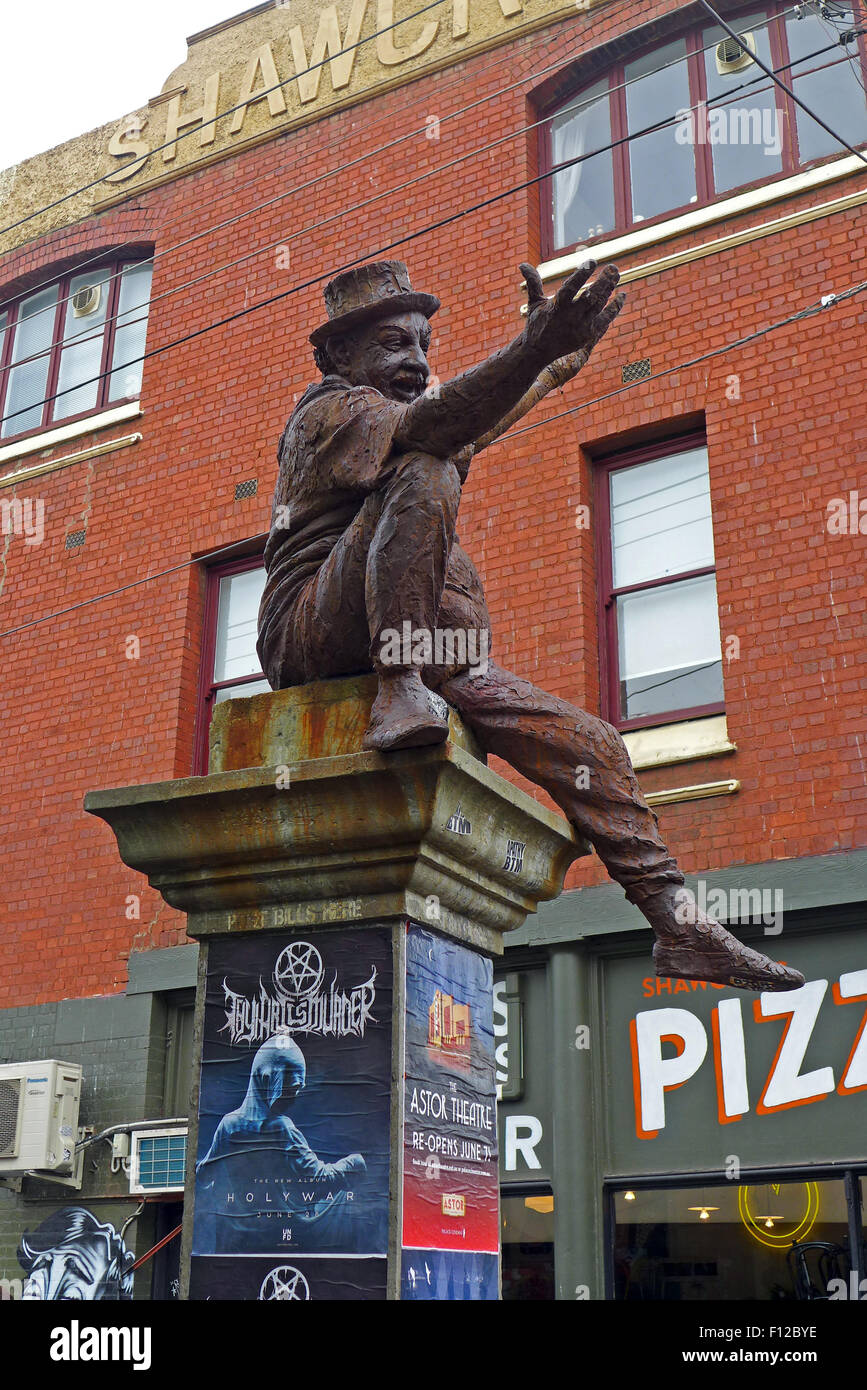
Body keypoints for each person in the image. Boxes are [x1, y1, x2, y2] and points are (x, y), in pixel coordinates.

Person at [256, 260, 803, 994]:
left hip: (440, 654)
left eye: (422, 342)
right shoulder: (328, 412)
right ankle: (398, 687)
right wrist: (531, 351)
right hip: (316, 638)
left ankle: (678, 925)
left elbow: (476, 419)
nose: (414, 360)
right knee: (428, 469)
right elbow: (436, 431)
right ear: (338, 358)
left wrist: (551, 365)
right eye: (392, 344)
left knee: (594, 745)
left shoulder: (400, 425)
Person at [195, 1034, 368, 1254]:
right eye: (292, 1087)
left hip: (238, 1236)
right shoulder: (281, 1129)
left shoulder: (228, 1126)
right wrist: (354, 1164)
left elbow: (203, 1175)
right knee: (346, 1198)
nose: (294, 1096)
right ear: (270, 1079)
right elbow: (320, 1180)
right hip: (284, 1232)